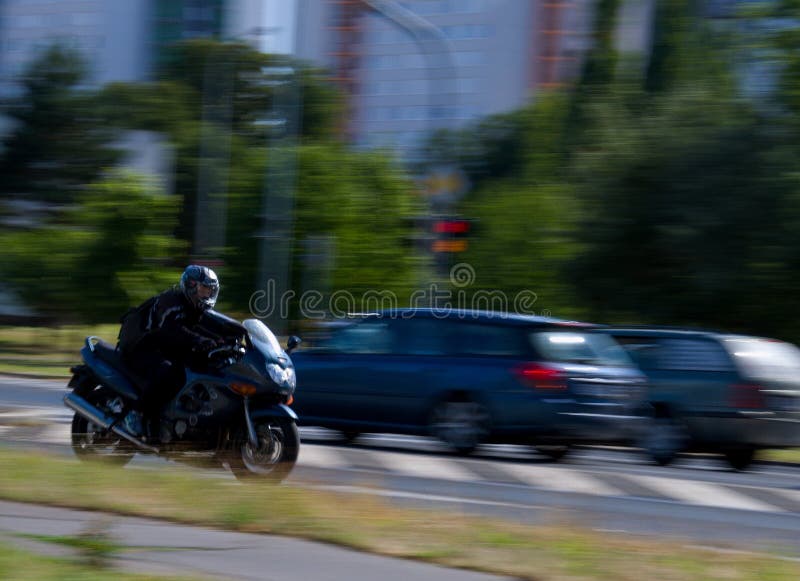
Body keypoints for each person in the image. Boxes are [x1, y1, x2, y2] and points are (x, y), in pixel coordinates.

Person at [117, 265, 222, 441]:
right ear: (191, 286)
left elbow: (204, 327)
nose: (207, 294)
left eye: (210, 290)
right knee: (168, 373)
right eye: (204, 289)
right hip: (140, 346)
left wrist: (227, 339)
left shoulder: (194, 308)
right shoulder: (171, 302)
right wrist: (200, 340)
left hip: (160, 346)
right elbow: (170, 330)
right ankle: (135, 414)